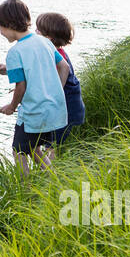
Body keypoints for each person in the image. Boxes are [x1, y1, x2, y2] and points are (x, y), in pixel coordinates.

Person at [0, 0, 68, 174]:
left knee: (18, 151)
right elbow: (63, 66)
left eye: (0, 28)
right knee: (33, 147)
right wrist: (57, 91)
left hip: (34, 113)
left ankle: (26, 191)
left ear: (9, 24)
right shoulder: (44, 41)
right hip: (54, 109)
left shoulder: (15, 52)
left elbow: (21, 87)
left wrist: (11, 107)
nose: (1, 33)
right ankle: (53, 178)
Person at [36, 12, 85, 154]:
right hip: (64, 109)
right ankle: (48, 171)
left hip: (66, 110)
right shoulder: (54, 52)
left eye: (38, 30)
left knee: (52, 145)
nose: (35, 32)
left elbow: (55, 84)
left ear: (48, 38)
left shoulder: (56, 57)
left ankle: (50, 174)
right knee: (49, 143)